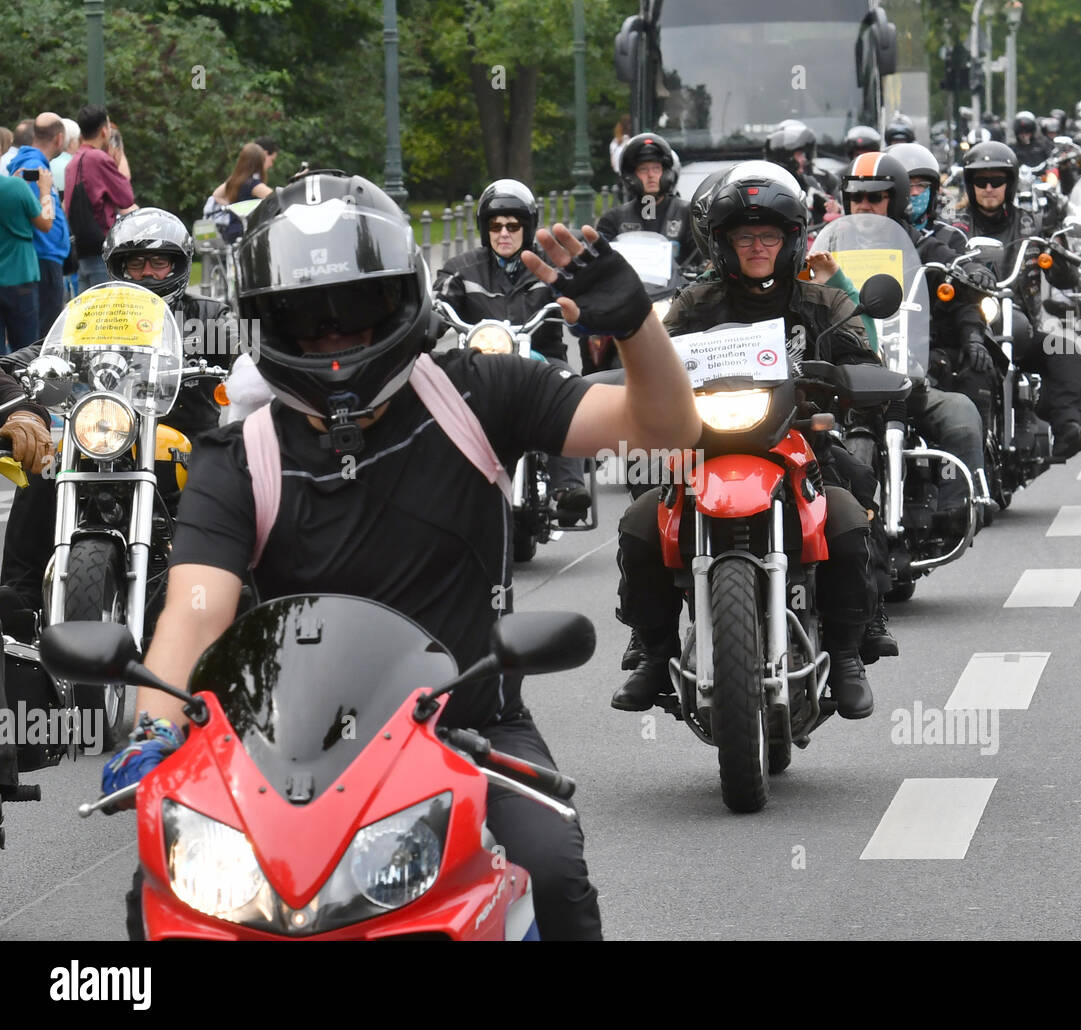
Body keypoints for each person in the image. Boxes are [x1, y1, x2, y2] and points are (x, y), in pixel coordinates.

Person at [97, 170, 699, 942]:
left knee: (550, 865)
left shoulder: (482, 394)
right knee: (165, 892)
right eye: (308, 317)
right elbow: (195, 612)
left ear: (400, 299)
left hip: (468, 731)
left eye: (358, 308)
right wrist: (154, 732)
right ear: (268, 324)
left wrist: (637, 330)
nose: (335, 334)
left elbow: (665, 432)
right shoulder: (239, 454)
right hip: (286, 756)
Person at [612, 162, 887, 721]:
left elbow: (861, 356)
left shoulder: (823, 302)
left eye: (769, 236)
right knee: (642, 521)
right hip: (704, 443)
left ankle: (850, 651)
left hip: (797, 440)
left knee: (849, 516)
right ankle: (654, 648)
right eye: (743, 237)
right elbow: (652, 355)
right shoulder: (693, 303)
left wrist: (851, 375)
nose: (757, 247)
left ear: (791, 241)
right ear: (722, 244)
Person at [0, 209, 238, 622]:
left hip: (185, 444)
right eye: (135, 263)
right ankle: (18, 598)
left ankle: (242, 600)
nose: (147, 273)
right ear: (118, 267)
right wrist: (27, 411)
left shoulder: (209, 319)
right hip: (105, 434)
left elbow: (261, 356)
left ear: (179, 265)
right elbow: (10, 364)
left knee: (236, 483)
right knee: (47, 465)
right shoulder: (90, 318)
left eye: (158, 262)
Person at [841, 151, 990, 529]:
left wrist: (971, 269)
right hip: (842, 381)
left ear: (898, 200)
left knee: (960, 412)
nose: (864, 206)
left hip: (907, 374)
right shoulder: (830, 249)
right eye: (857, 197)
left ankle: (958, 508)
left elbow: (958, 274)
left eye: (875, 197)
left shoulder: (924, 247)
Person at [435, 178, 591, 525]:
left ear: (528, 227)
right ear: (484, 229)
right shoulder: (462, 268)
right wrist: (431, 319)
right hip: (479, 363)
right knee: (441, 395)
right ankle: (446, 488)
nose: (503, 233)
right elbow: (439, 302)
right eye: (495, 225)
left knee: (565, 391)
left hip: (540, 357)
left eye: (513, 225)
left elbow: (579, 298)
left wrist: (578, 305)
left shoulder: (549, 267)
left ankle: (567, 489)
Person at [954, 141, 1081, 460]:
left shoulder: (1032, 225)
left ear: (1009, 183)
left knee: (1064, 351)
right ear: (970, 185)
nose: (989, 188)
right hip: (966, 326)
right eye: (980, 182)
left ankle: (1067, 432)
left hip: (1019, 323)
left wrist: (1057, 258)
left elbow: (1062, 279)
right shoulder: (955, 229)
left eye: (997, 181)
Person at [7, 112, 71, 336]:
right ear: (59, 139)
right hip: (43, 259)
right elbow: (44, 222)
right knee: (43, 337)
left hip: (41, 260)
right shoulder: (35, 168)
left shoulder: (32, 165)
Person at [63, 105, 137, 289]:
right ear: (104, 131)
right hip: (101, 250)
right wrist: (116, 162)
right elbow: (126, 197)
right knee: (107, 314)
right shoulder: (98, 159)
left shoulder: (73, 162)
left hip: (81, 250)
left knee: (87, 312)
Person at [597, 132, 696, 265]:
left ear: (666, 173)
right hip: (631, 285)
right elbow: (600, 262)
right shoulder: (612, 220)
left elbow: (704, 257)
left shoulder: (688, 214)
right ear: (631, 177)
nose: (650, 175)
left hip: (680, 285)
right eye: (643, 169)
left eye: (656, 169)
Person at [0, 159, 54, 353]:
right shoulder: (16, 186)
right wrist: (45, 191)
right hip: (19, 275)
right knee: (25, 350)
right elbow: (46, 223)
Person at [204, 142, 273, 244]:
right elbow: (275, 198)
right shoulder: (253, 185)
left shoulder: (234, 181)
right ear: (258, 163)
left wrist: (232, 206)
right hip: (248, 234)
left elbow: (216, 195)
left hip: (231, 232)